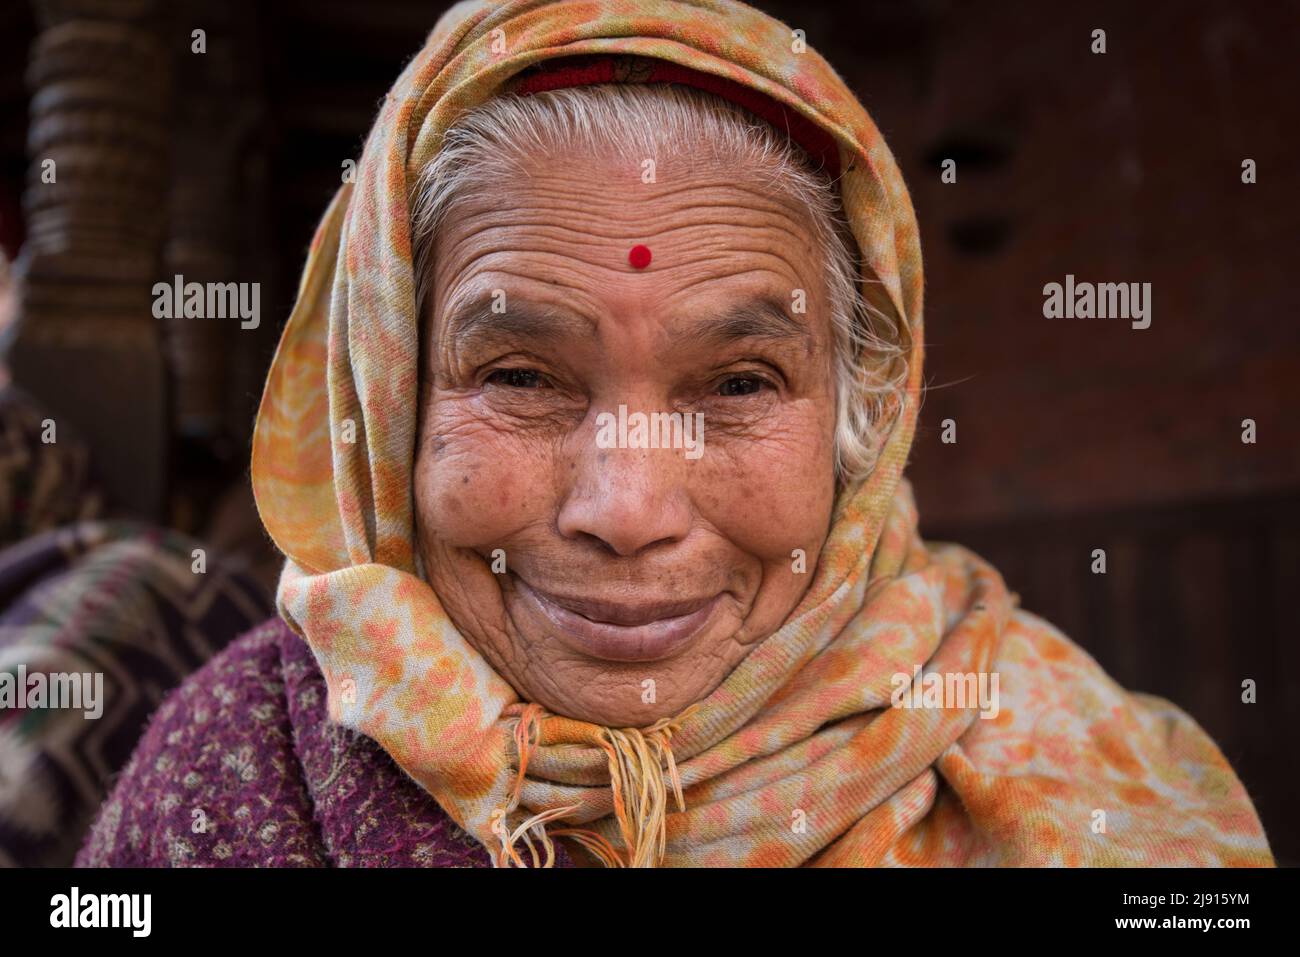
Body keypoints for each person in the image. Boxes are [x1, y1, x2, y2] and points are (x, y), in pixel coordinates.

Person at [79, 0, 1272, 868]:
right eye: (519, 374)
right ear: (386, 407)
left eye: (740, 383)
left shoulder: (1088, 773)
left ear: (860, 420)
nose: (630, 509)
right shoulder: (243, 766)